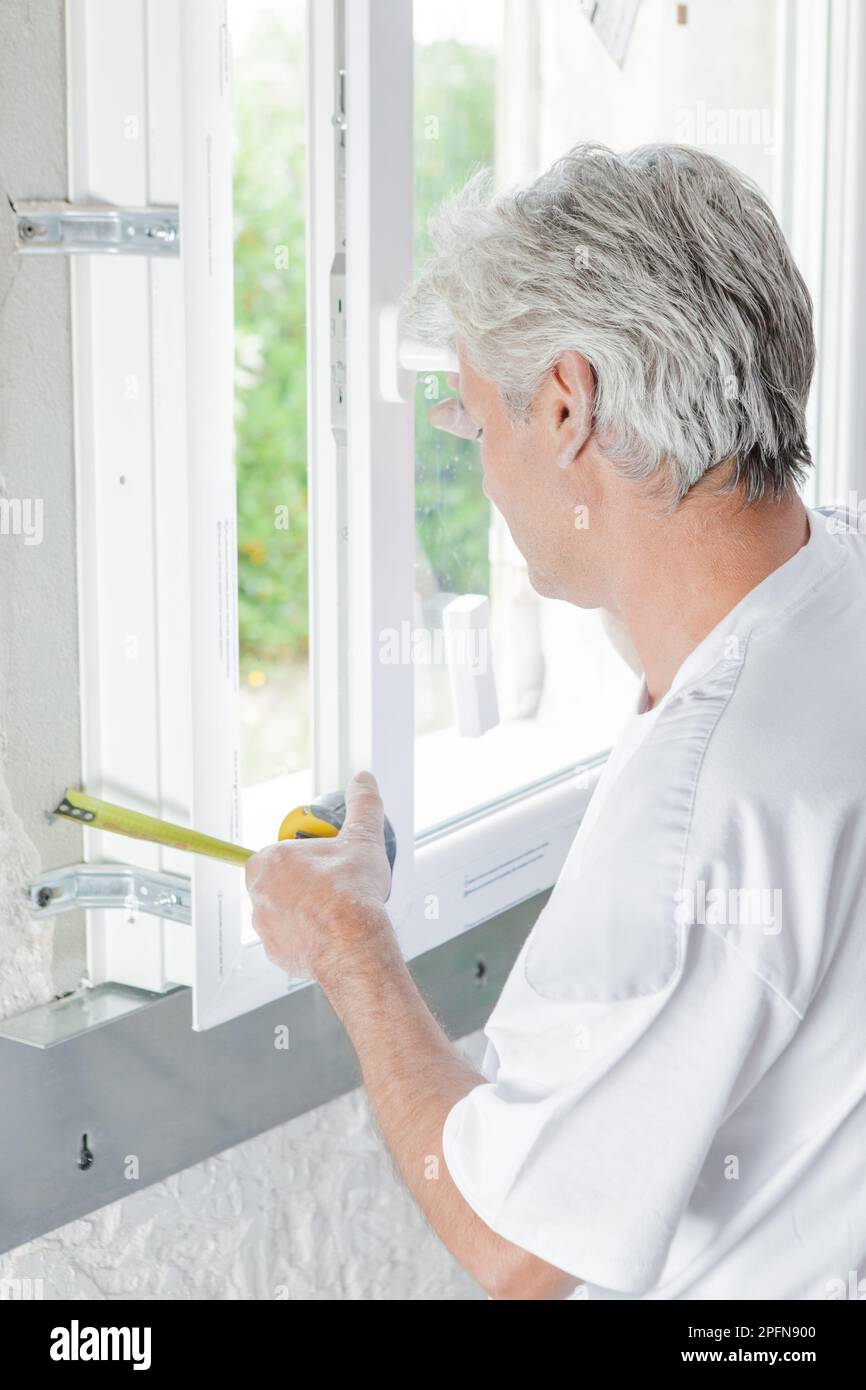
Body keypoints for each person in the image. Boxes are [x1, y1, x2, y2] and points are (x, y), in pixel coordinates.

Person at [245, 144, 866, 1300]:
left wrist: (351, 948)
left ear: (569, 407)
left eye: (476, 422)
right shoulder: (831, 578)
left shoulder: (698, 815)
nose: (473, 461)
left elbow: (521, 1248)